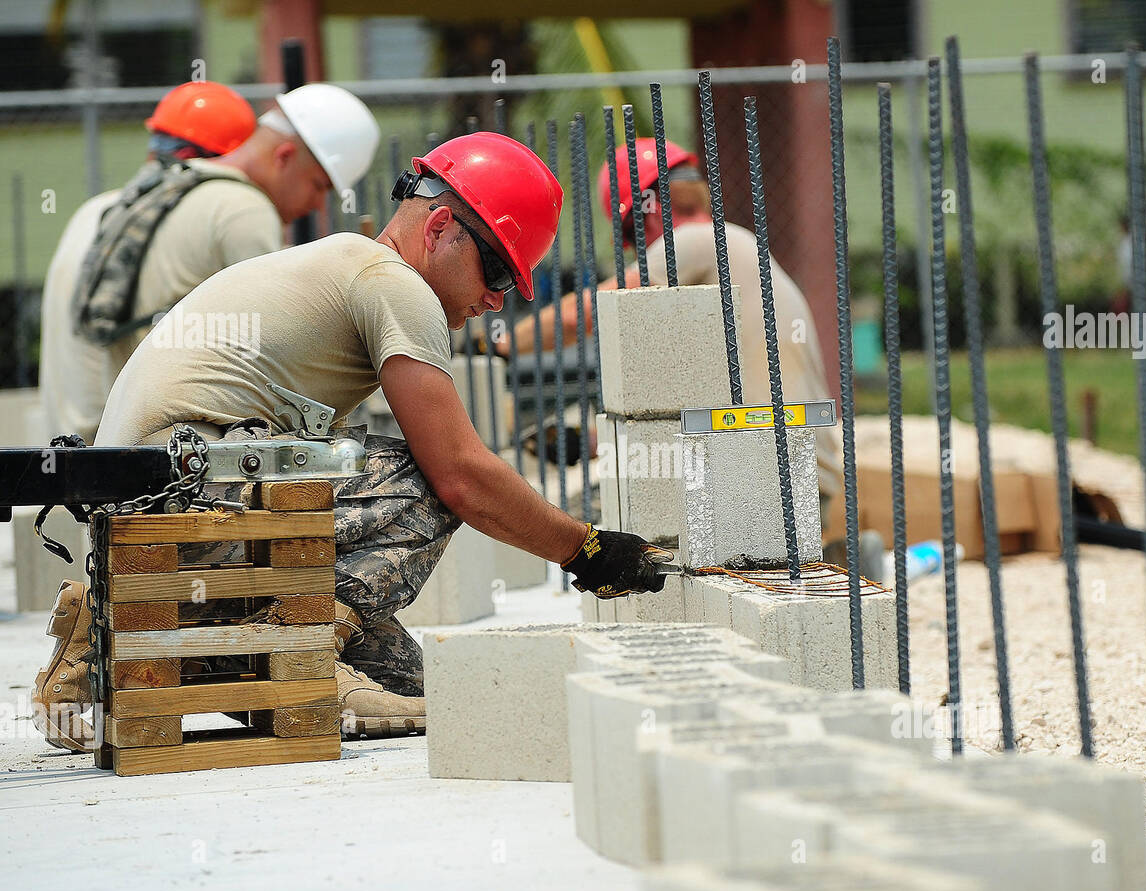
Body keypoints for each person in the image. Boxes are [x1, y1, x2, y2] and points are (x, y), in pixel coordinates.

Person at [33, 133, 670, 753]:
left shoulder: (346, 266)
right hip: (185, 492)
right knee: (427, 486)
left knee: (419, 692)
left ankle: (104, 642)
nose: (496, 299)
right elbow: (462, 478)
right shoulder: (393, 284)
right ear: (441, 226)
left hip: (153, 503)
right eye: (498, 269)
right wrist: (584, 550)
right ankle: (289, 651)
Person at [500, 137, 845, 505]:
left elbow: (584, 315)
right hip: (792, 471)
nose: (637, 250)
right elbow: (691, 396)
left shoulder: (695, 240)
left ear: (649, 210)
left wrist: (499, 344)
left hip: (771, 479)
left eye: (632, 235)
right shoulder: (734, 250)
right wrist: (597, 442)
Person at [39, 82, 379, 442]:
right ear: (283, 157)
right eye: (318, 186)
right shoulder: (243, 209)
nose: (315, 205)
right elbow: (278, 354)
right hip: (146, 457)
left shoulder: (112, 205)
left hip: (75, 449)